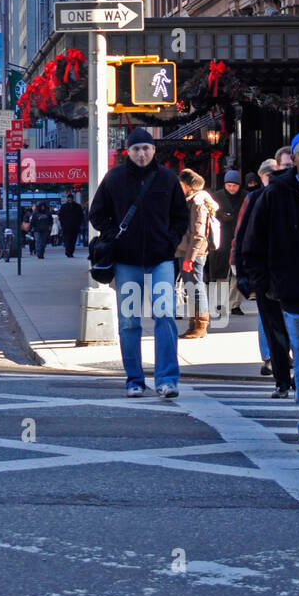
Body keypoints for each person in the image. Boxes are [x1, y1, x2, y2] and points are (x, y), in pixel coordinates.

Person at [89, 126, 189, 400]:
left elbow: (181, 216)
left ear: (154, 150)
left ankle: (167, 380)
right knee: (129, 322)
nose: (142, 153)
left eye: (146, 148)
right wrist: (114, 237)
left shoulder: (167, 179)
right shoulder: (114, 178)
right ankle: (134, 380)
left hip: (161, 259)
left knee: (165, 316)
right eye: (136, 149)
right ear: (128, 152)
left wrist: (170, 241)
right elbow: (96, 214)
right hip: (126, 260)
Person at [245, 129, 299, 454]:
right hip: (296, 295)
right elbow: (253, 242)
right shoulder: (275, 195)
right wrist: (265, 284)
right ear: (294, 159)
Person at [233, 159, 292, 396]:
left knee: (296, 331)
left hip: (295, 277)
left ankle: (294, 377)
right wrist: (248, 276)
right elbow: (244, 237)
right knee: (274, 330)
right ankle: (282, 379)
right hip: (269, 277)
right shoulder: (258, 198)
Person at [175, 170, 219, 339]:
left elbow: (198, 234)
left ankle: (200, 325)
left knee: (196, 287)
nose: (179, 186)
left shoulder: (198, 203)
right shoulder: (191, 201)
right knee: (191, 288)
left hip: (193, 253)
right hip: (187, 251)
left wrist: (190, 258)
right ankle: (194, 324)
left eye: (182, 183)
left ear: (189, 186)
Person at [209, 170, 245, 317]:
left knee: (238, 272)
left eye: (234, 186)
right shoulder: (217, 196)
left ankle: (235, 304)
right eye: (229, 185)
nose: (231, 188)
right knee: (220, 272)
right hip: (222, 239)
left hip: (240, 238)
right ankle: (219, 303)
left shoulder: (245, 196)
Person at [58, 190, 84, 258]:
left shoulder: (76, 206)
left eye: (70, 199)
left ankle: (70, 252)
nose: (70, 200)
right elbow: (60, 216)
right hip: (68, 226)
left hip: (72, 226)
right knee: (69, 240)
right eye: (69, 199)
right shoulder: (75, 206)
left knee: (72, 240)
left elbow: (81, 216)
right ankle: (68, 252)